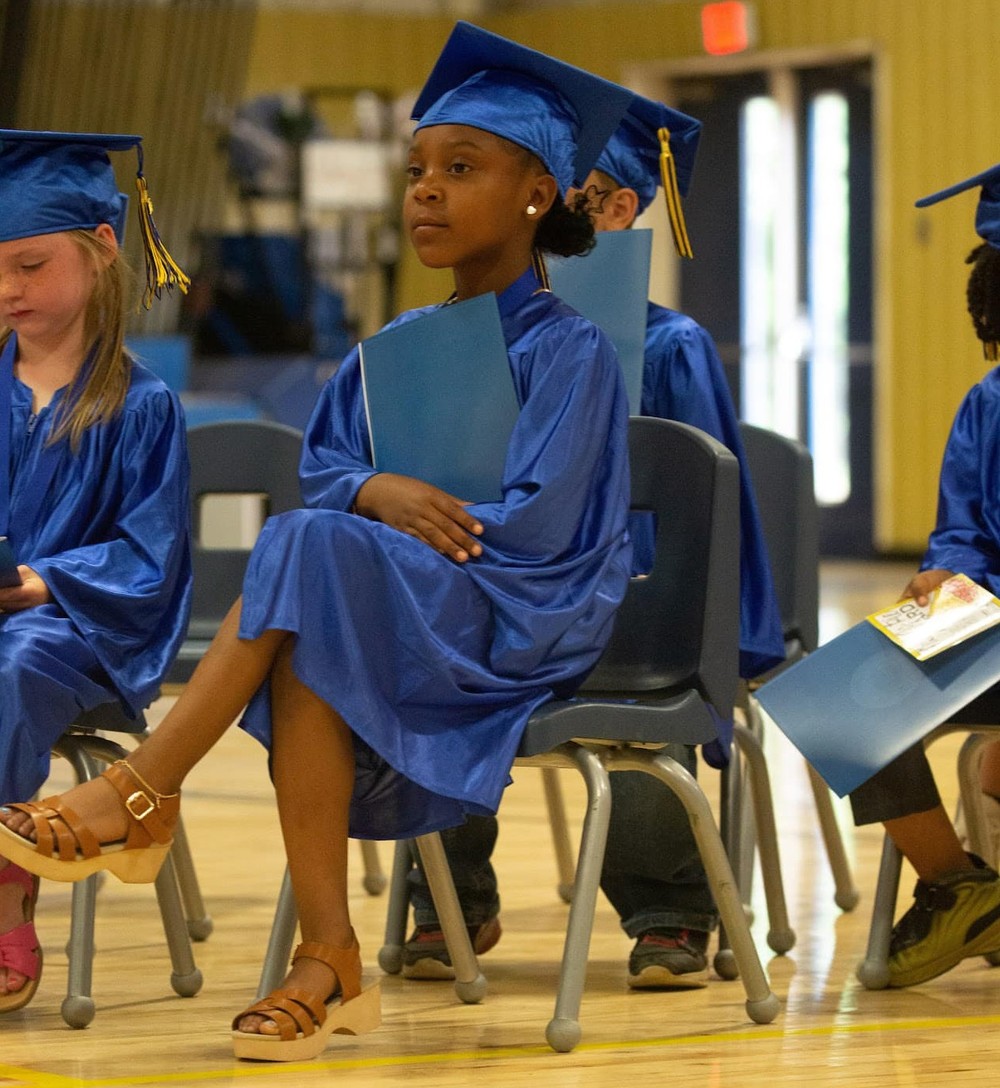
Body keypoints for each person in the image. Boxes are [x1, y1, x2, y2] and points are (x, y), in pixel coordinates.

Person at [0, 22, 638, 1062]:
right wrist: (378, 488)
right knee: (310, 611)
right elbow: (333, 471)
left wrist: (375, 516)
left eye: (460, 169)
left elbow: (540, 530)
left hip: (518, 609)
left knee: (308, 554)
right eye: (417, 170)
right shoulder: (387, 352)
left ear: (536, 194)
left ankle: (143, 791)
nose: (425, 191)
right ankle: (327, 955)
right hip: (395, 603)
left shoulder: (572, 354)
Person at [401, 95, 785, 989]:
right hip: (493, 589)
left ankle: (668, 907)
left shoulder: (670, 347)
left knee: (635, 649)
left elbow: (695, 514)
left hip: (630, 597)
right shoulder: (456, 337)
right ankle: (451, 898)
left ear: (618, 211)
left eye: (575, 193)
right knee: (428, 651)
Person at [0, 130, 192, 1012]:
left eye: (32, 264)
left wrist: (39, 581)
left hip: (83, 633)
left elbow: (149, 555)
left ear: (102, 248)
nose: (9, 289)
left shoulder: (141, 404)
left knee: (13, 662)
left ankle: (6, 887)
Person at [845, 161, 1000, 987]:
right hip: (993, 623)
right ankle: (961, 890)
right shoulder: (989, 401)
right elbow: (963, 528)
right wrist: (945, 574)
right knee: (836, 694)